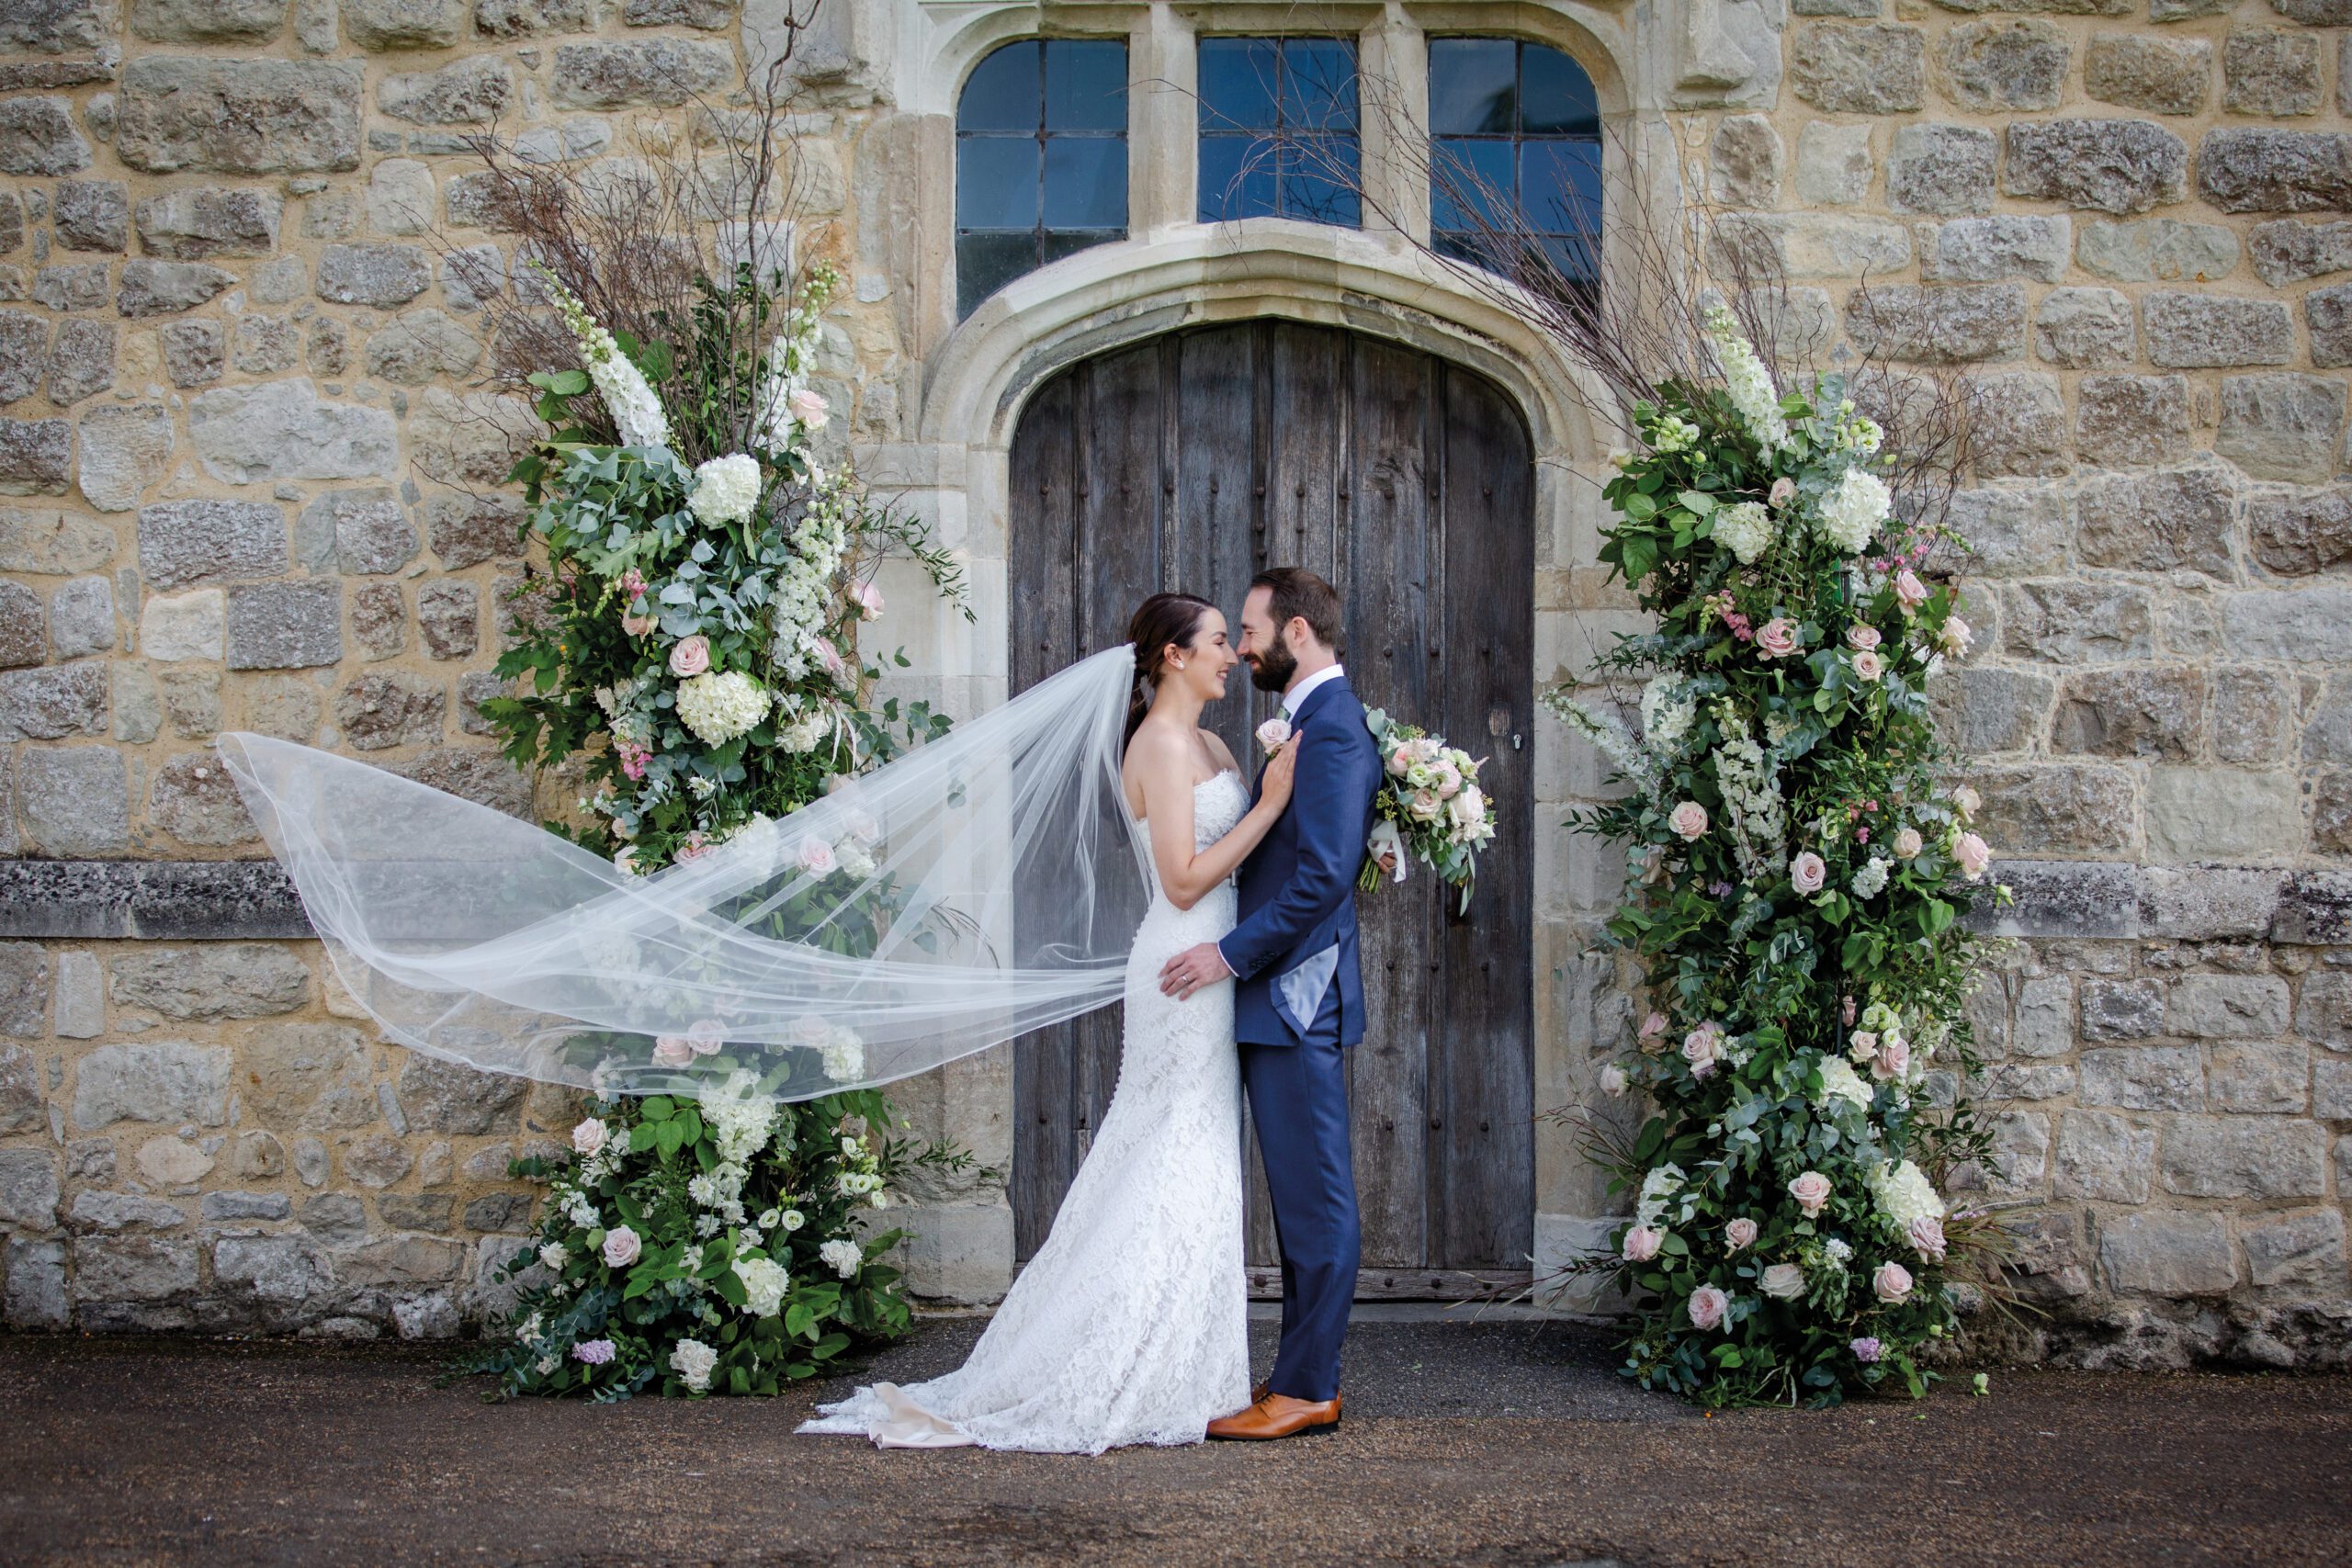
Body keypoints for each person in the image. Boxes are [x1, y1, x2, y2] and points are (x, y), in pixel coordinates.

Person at [796, 591, 1298, 1452]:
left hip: (1219, 960)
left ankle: (1187, 1360)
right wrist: (1269, 805)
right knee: (1170, 1146)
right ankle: (1112, 1357)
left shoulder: (1213, 741)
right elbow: (1181, 880)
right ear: (1173, 655)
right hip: (1183, 962)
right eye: (1218, 641)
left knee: (1194, 1149)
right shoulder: (1160, 745)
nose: (1231, 655)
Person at [1157, 568, 1381, 1441]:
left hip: (1292, 997)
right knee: (1299, 1193)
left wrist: (1227, 952)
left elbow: (1322, 875)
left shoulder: (1329, 730)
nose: (1241, 645)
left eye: (1248, 629)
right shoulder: (1313, 722)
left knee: (1315, 1194)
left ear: (1295, 631)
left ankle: (1307, 1387)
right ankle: (1296, 1376)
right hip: (1280, 995)